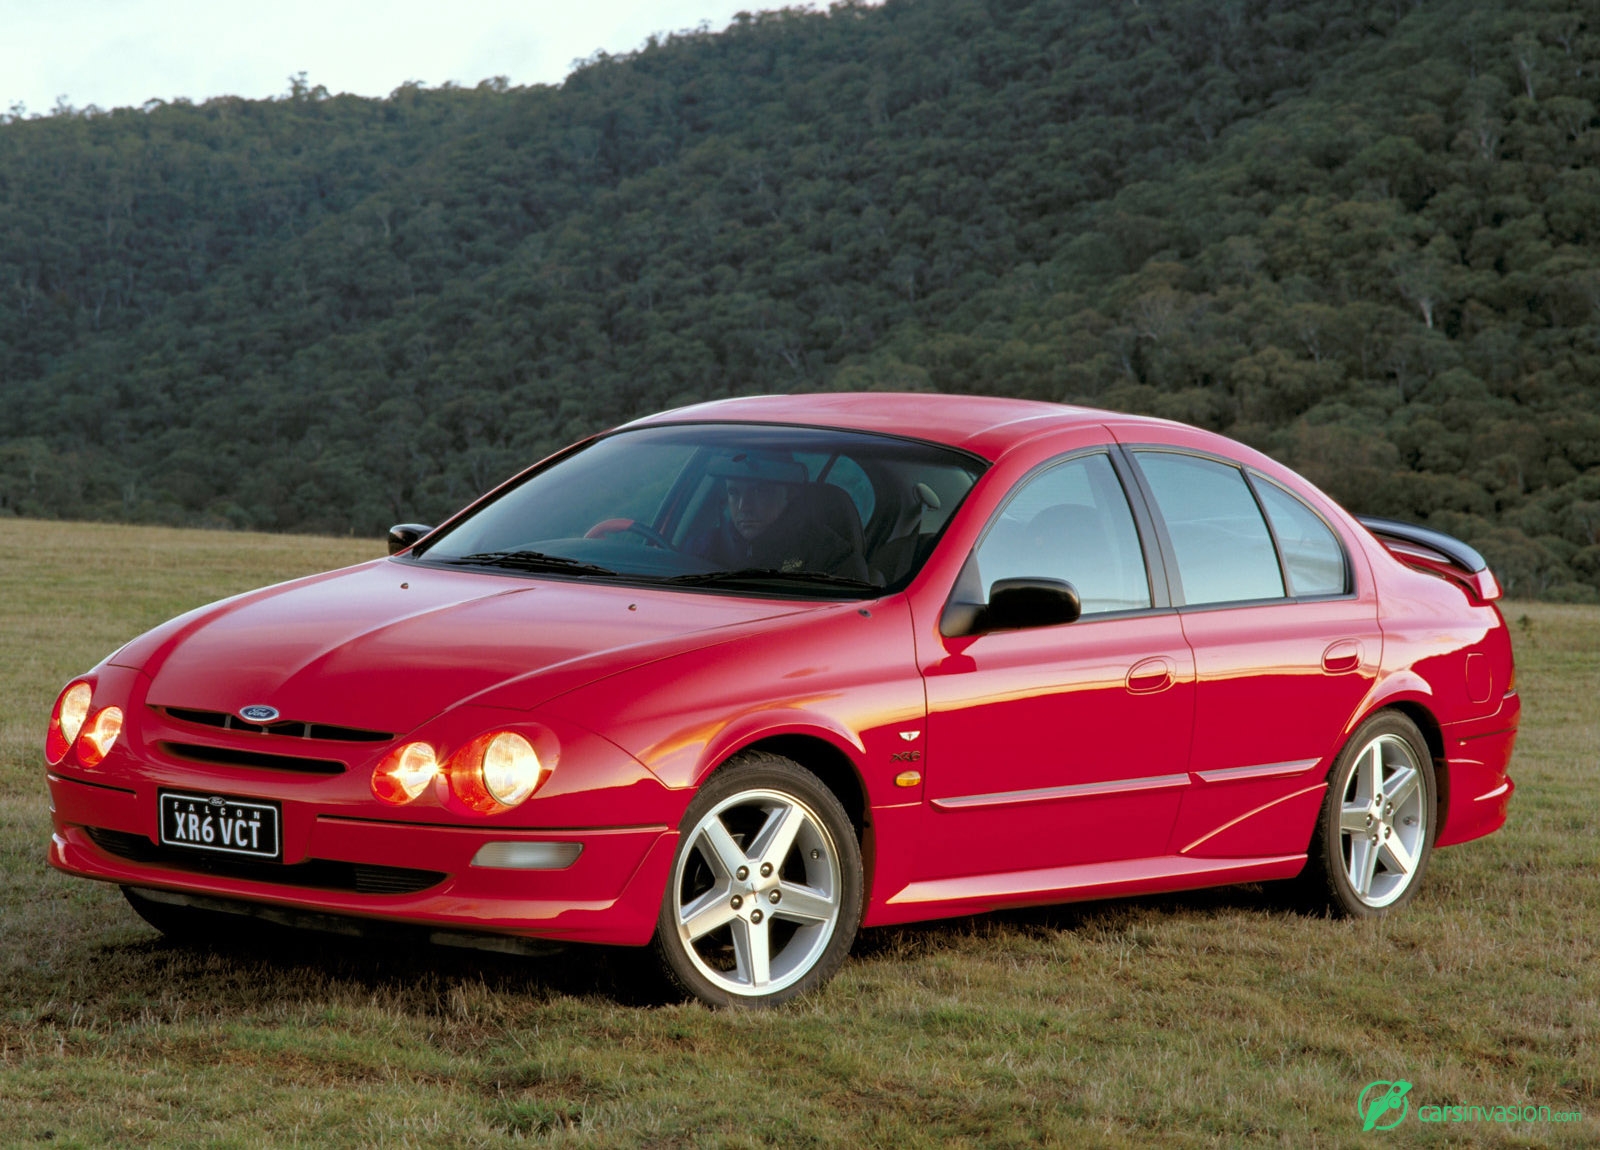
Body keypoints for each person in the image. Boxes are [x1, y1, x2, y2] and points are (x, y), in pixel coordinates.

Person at [691, 451, 870, 582]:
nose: (744, 506)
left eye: (758, 491)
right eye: (734, 492)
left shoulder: (829, 557)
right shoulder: (705, 548)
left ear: (790, 493)